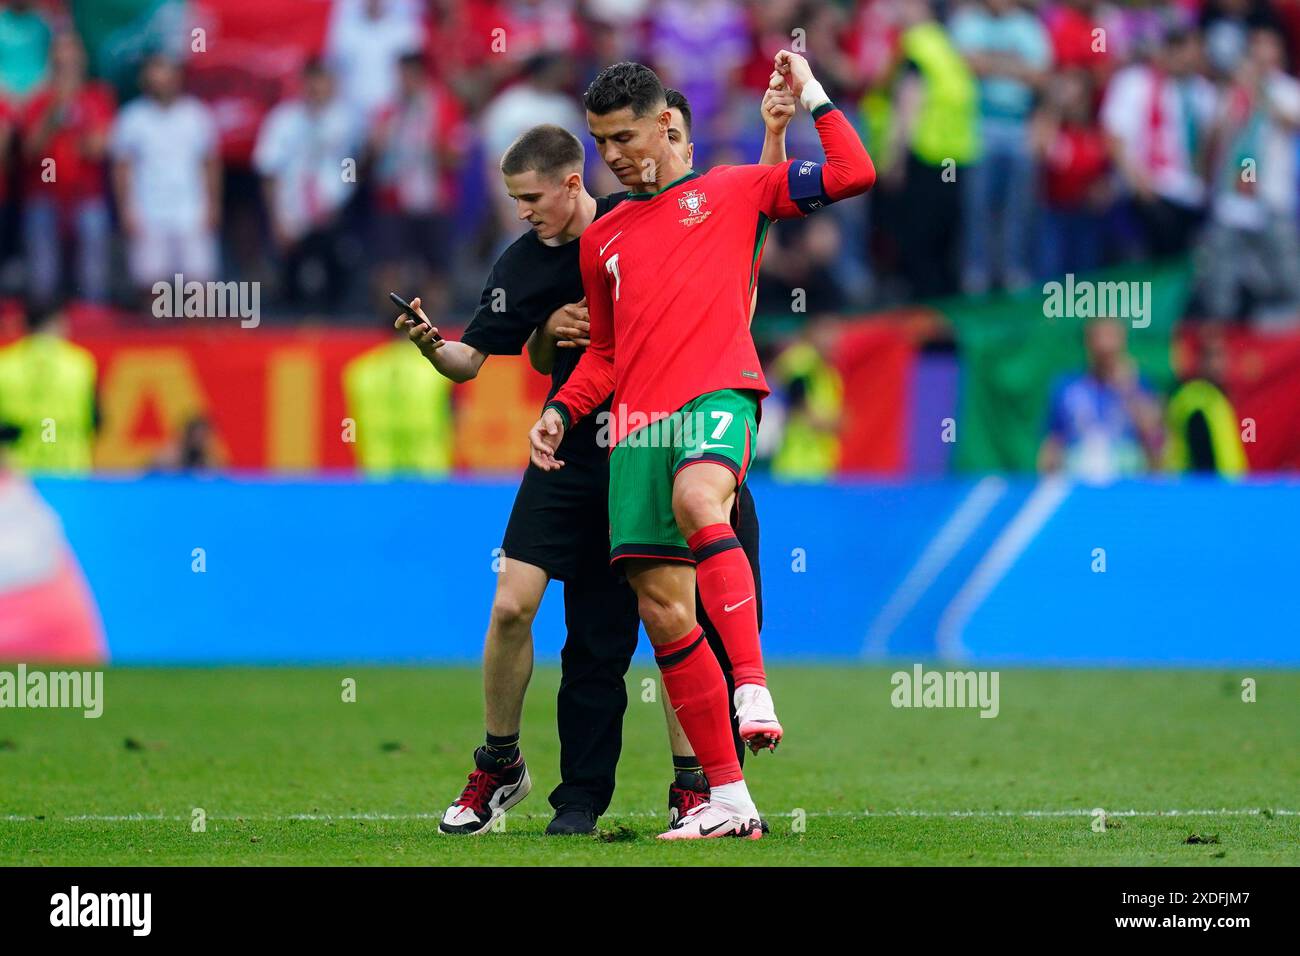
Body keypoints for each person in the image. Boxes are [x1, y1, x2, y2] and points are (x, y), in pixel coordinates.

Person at [399, 84, 796, 837]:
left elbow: (744, 249)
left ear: (572, 181)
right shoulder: (532, 261)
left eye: (530, 196)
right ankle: (524, 774)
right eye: (514, 198)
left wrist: (783, 125)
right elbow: (528, 355)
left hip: (672, 429)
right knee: (550, 616)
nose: (522, 211)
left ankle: (704, 784)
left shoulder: (647, 216)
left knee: (682, 613)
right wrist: (547, 339)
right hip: (585, 447)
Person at [529, 53, 876, 838]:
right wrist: (562, 410)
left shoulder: (731, 189)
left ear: (666, 125)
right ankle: (729, 801)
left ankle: (751, 686)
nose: (612, 155)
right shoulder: (603, 238)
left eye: (624, 136)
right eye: (599, 141)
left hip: (716, 394)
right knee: (661, 612)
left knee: (699, 500)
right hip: (636, 429)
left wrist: (813, 95)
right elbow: (608, 355)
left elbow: (853, 173)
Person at [110, 55, 221, 299]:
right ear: (146, 78)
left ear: (178, 77)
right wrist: (126, 210)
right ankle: (153, 337)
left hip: (191, 209)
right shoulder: (132, 118)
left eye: (168, 72)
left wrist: (213, 205)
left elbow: (210, 164)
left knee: (198, 283)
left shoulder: (197, 115)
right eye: (156, 72)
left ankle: (195, 336)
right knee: (150, 284)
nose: (163, 79)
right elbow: (121, 169)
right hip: (148, 210)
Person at [254, 59, 359, 313]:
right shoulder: (283, 121)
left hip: (331, 215)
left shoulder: (345, 120)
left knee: (336, 276)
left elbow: (352, 166)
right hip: (293, 214)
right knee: (292, 281)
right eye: (312, 83)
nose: (317, 89)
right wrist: (277, 220)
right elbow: (269, 171)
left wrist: (342, 198)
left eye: (323, 83)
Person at [19, 31, 115, 304]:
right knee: (42, 265)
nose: (66, 59)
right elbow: (30, 150)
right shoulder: (39, 100)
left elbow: (98, 147)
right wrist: (54, 111)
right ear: (51, 60)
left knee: (93, 257)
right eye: (60, 53)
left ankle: (93, 313)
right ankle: (43, 313)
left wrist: (76, 117)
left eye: (71, 51)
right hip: (44, 194)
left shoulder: (97, 97)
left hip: (86, 195)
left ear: (82, 59)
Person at [1039, 316, 1164, 480]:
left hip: (1126, 482)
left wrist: (1128, 390)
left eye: (1111, 337)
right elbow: (1052, 444)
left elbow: (1155, 444)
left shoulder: (1140, 386)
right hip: (1079, 479)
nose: (1104, 346)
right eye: (1098, 337)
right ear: (1087, 341)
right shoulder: (1067, 387)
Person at [0, 299, 98, 474]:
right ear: (57, 321)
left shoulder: (4, 364)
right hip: (69, 472)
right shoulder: (81, 363)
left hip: (17, 476)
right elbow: (96, 420)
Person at [1164, 329, 1248, 475]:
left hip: (1224, 490)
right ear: (1199, 361)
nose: (1217, 364)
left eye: (1221, 356)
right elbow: (1201, 457)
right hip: (1206, 490)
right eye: (1211, 357)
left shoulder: (1218, 398)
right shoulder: (1196, 400)